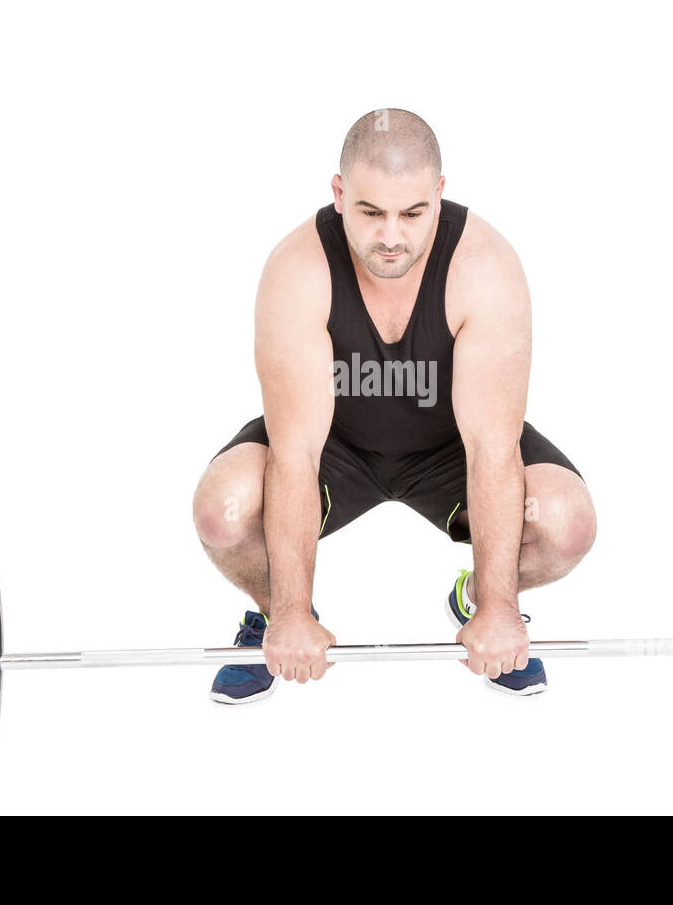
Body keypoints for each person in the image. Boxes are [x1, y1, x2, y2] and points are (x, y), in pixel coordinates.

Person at [192, 108, 596, 703]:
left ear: (439, 193)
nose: (391, 236)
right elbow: (297, 452)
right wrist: (292, 612)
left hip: (451, 450)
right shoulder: (298, 269)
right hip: (331, 448)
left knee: (566, 525)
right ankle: (267, 618)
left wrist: (498, 608)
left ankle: (480, 598)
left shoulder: (483, 267)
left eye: (412, 213)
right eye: (370, 212)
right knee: (221, 512)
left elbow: (491, 447)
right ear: (338, 194)